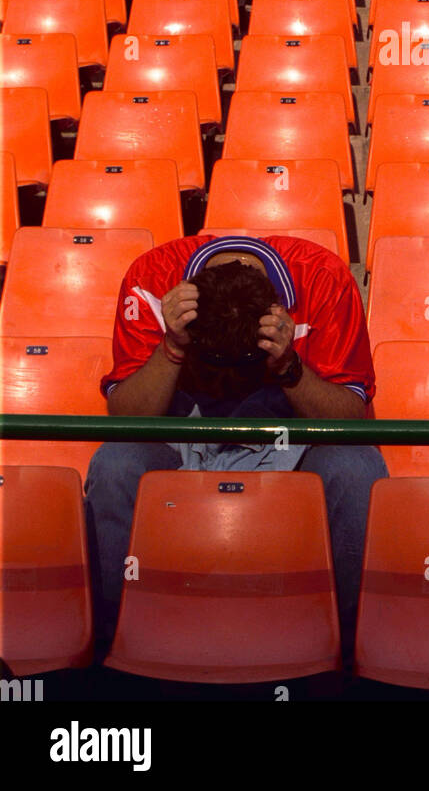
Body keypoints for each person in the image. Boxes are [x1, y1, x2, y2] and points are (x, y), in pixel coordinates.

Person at [84, 232, 387, 660]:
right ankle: (112, 643)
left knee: (355, 467)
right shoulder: (151, 278)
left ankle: (355, 647)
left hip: (287, 432)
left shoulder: (323, 277)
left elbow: (351, 420)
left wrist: (287, 367)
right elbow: (125, 416)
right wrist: (172, 348)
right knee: (115, 463)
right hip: (184, 430)